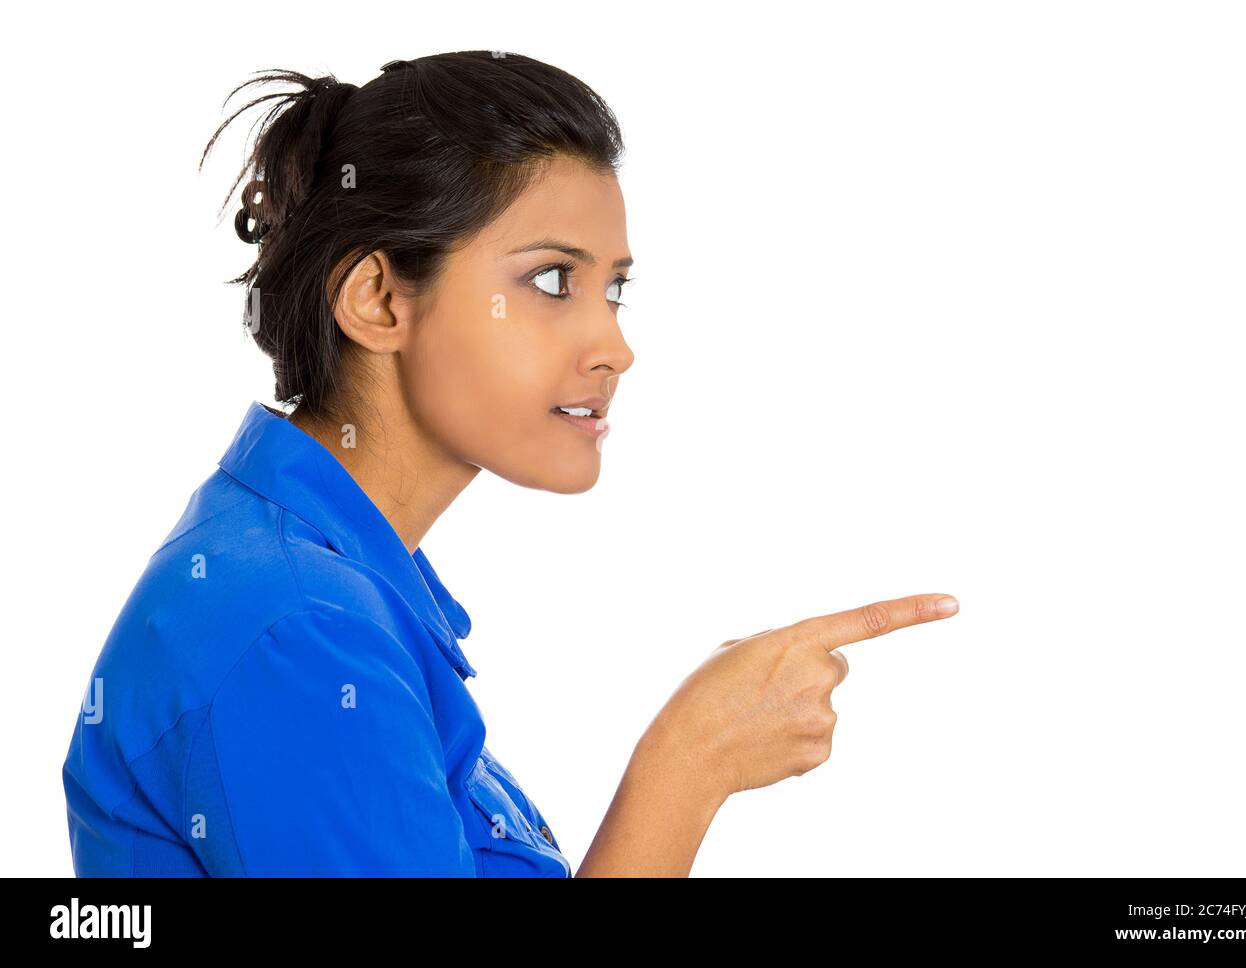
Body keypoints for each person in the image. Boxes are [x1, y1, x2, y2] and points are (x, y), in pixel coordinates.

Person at [61, 50, 960, 877]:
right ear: (377, 300)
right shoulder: (298, 633)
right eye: (549, 280)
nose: (614, 345)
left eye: (612, 288)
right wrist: (692, 763)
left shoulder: (331, 580)